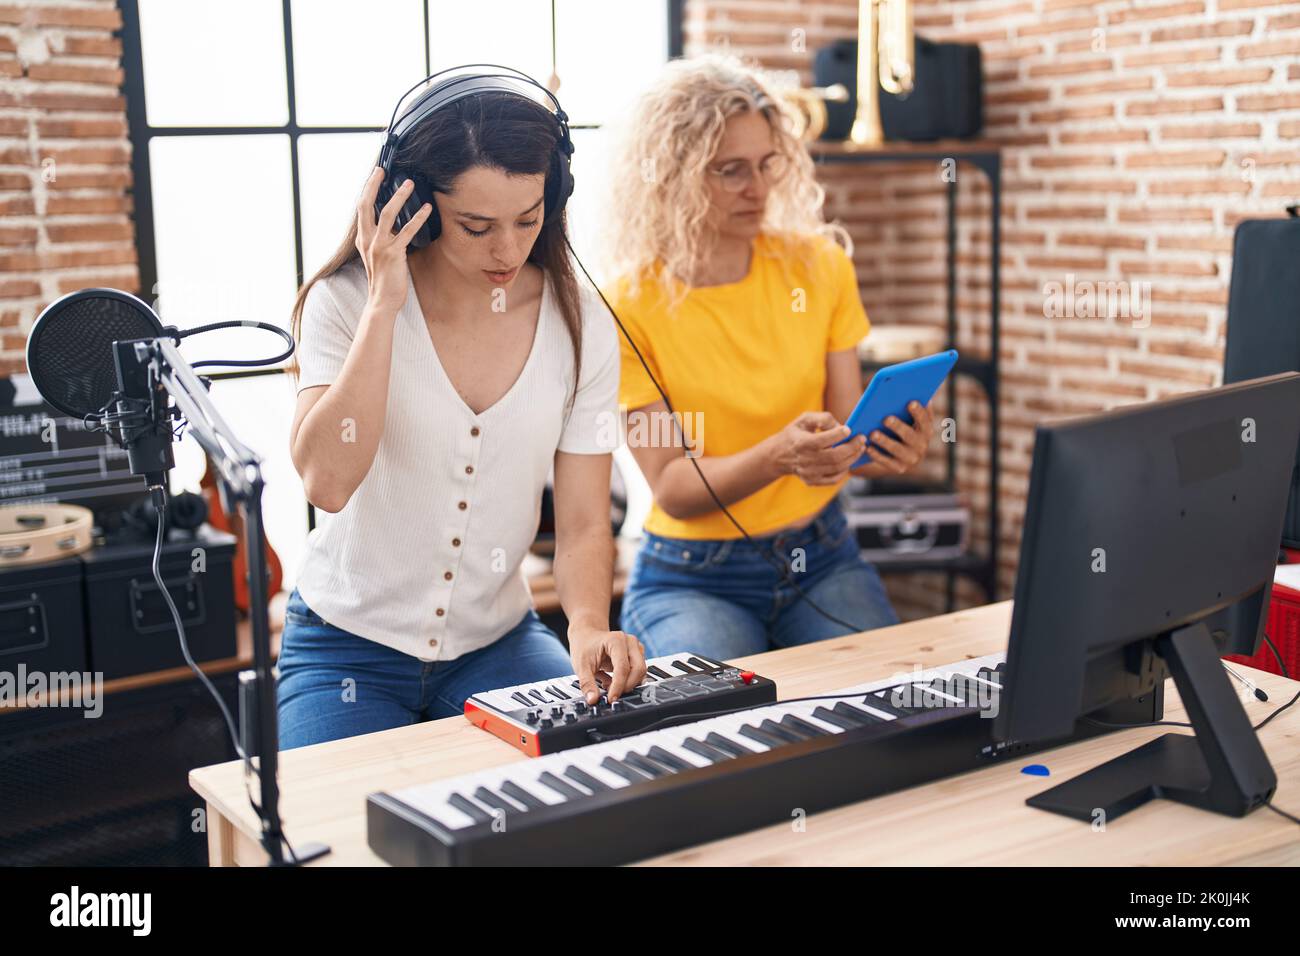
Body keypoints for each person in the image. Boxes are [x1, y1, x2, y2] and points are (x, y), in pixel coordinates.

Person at [278, 73, 646, 749]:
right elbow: (326, 484)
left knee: (593, 773)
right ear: (408, 203)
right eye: (477, 226)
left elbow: (587, 519)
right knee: (332, 837)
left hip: (496, 647)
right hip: (346, 650)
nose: (508, 251)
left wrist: (589, 624)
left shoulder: (583, 323)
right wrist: (385, 306)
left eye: (528, 220)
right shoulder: (347, 301)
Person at [603, 55, 936, 660]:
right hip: (694, 575)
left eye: (765, 163)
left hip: (824, 556)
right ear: (672, 176)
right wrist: (778, 456)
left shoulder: (820, 267)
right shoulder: (629, 303)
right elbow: (675, 488)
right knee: (720, 739)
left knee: (898, 708)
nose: (757, 189)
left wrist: (888, 449)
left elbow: (841, 441)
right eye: (730, 170)